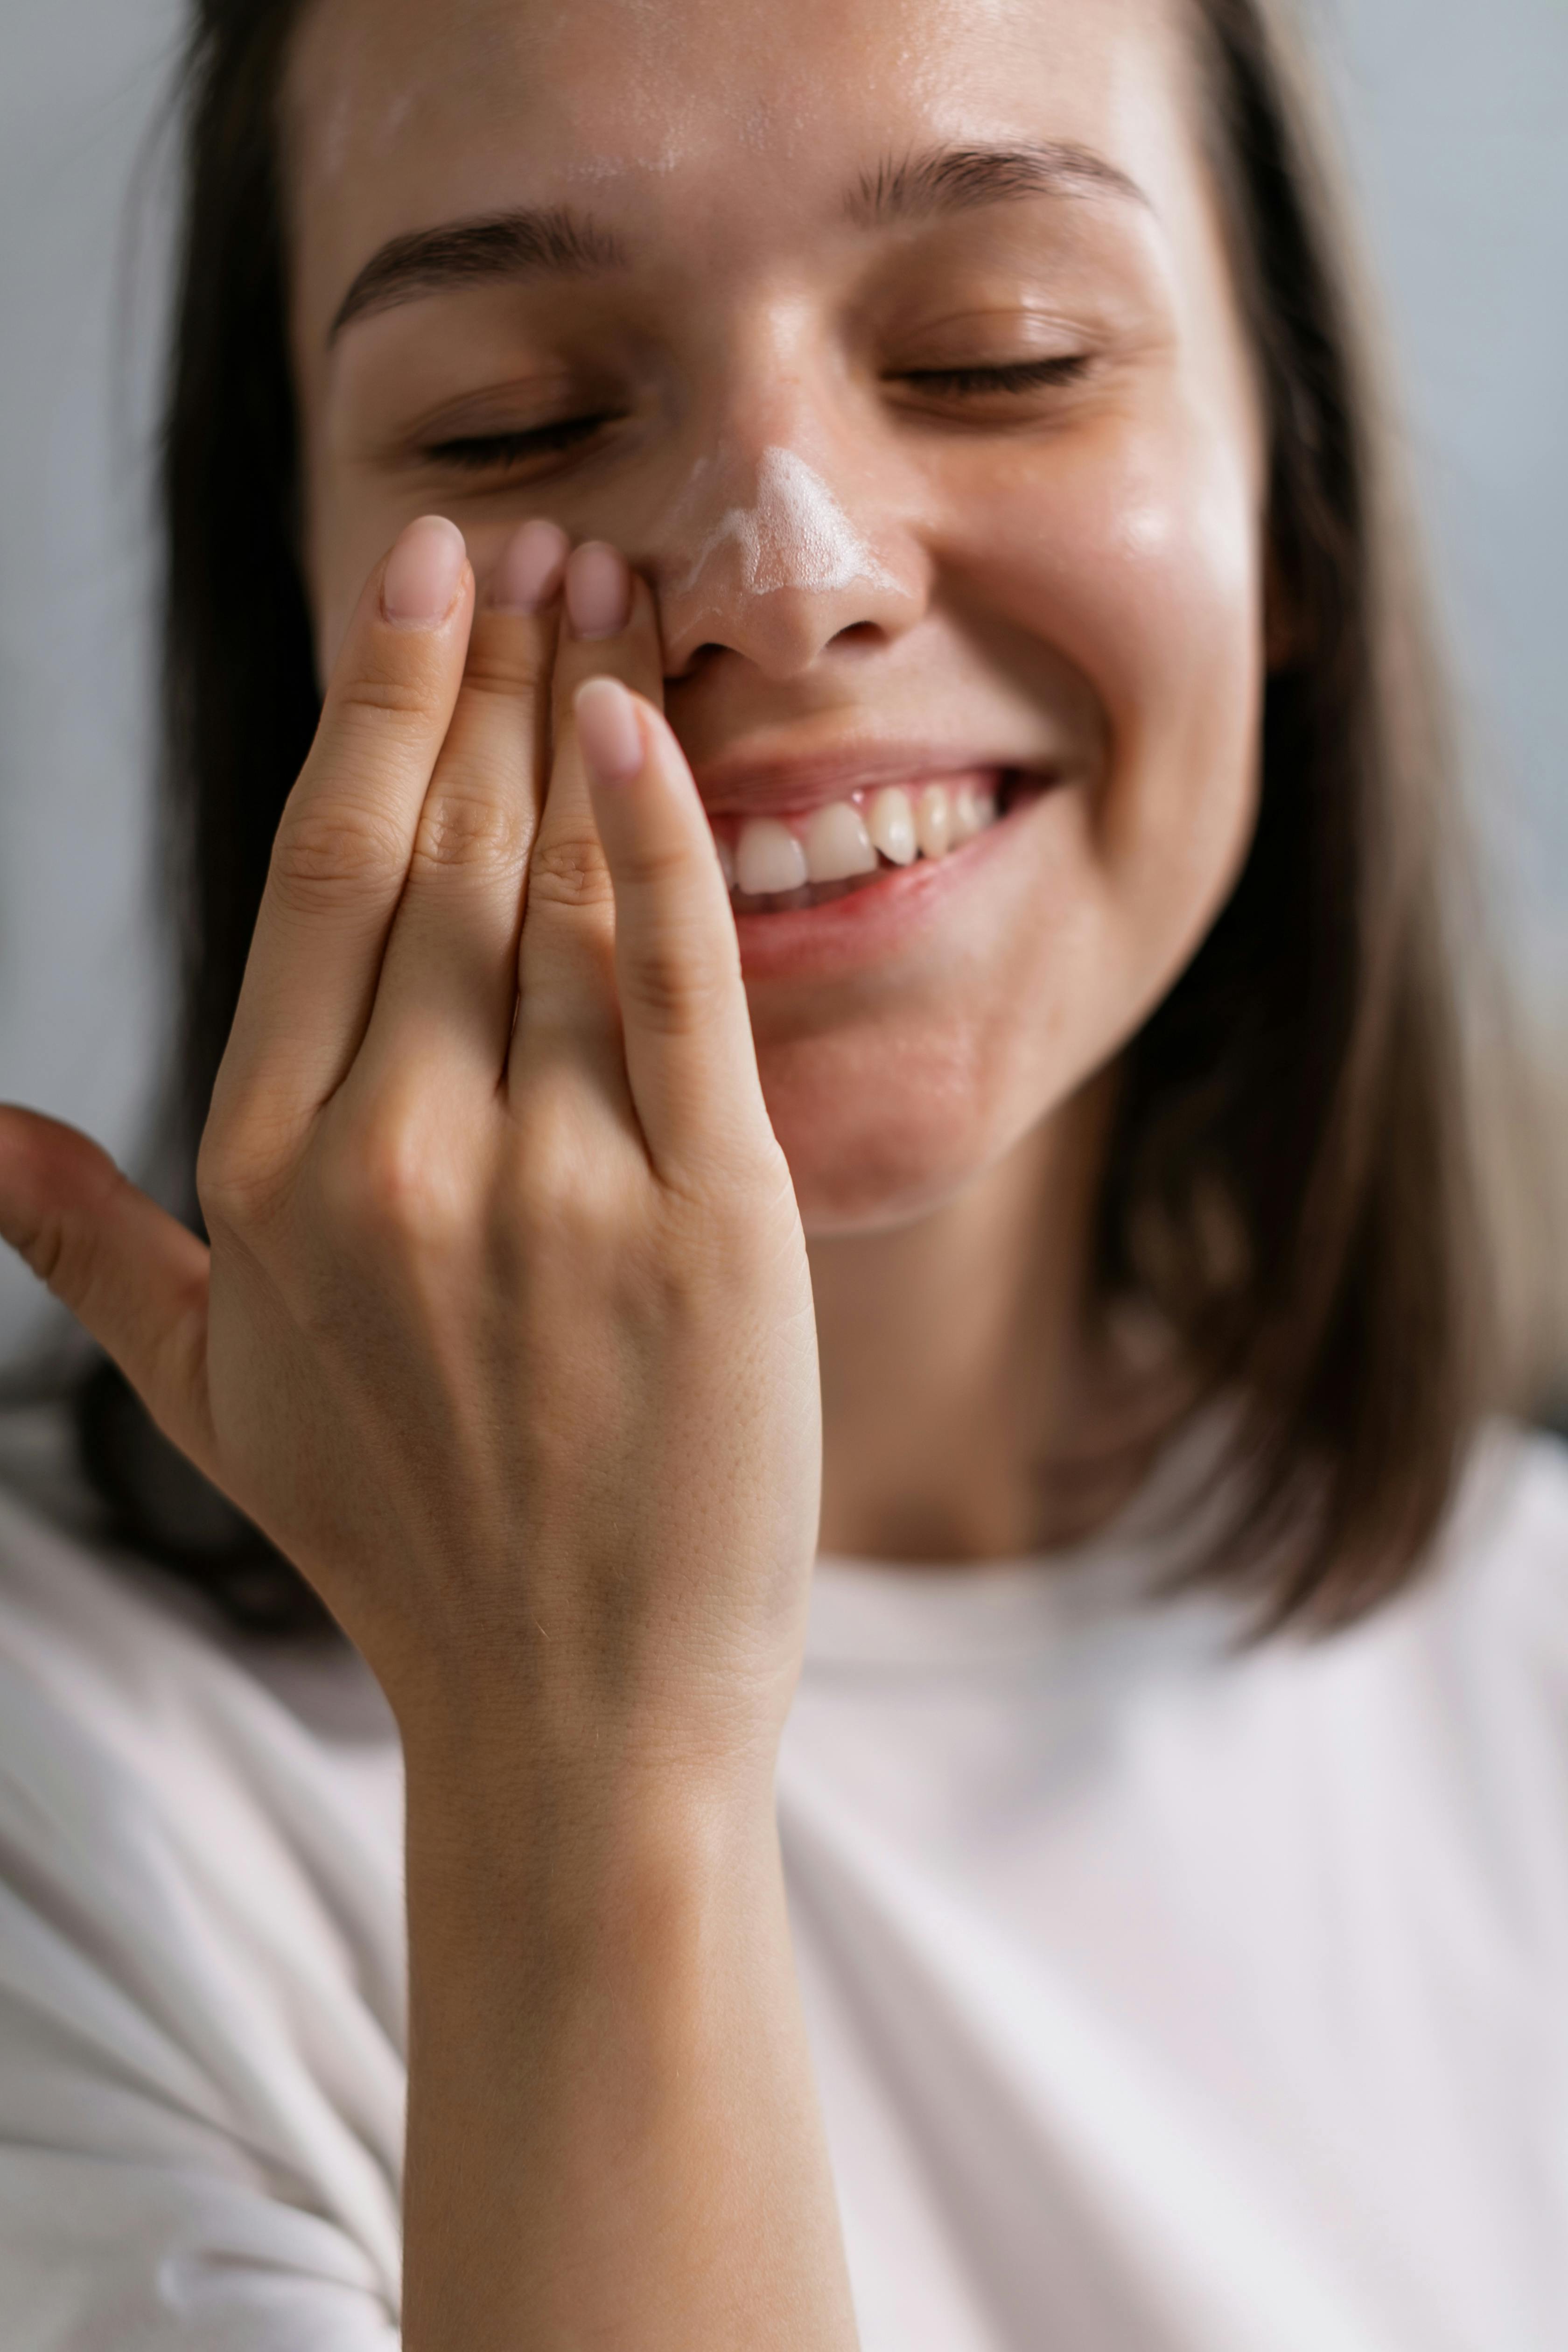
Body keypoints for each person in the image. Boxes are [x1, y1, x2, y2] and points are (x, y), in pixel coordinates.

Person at [0, 0, 1563, 2343]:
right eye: (510, 421)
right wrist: (585, 1778)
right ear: (296, 634)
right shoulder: (64, 1795)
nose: (778, 566)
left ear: (1293, 507)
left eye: (1006, 354)